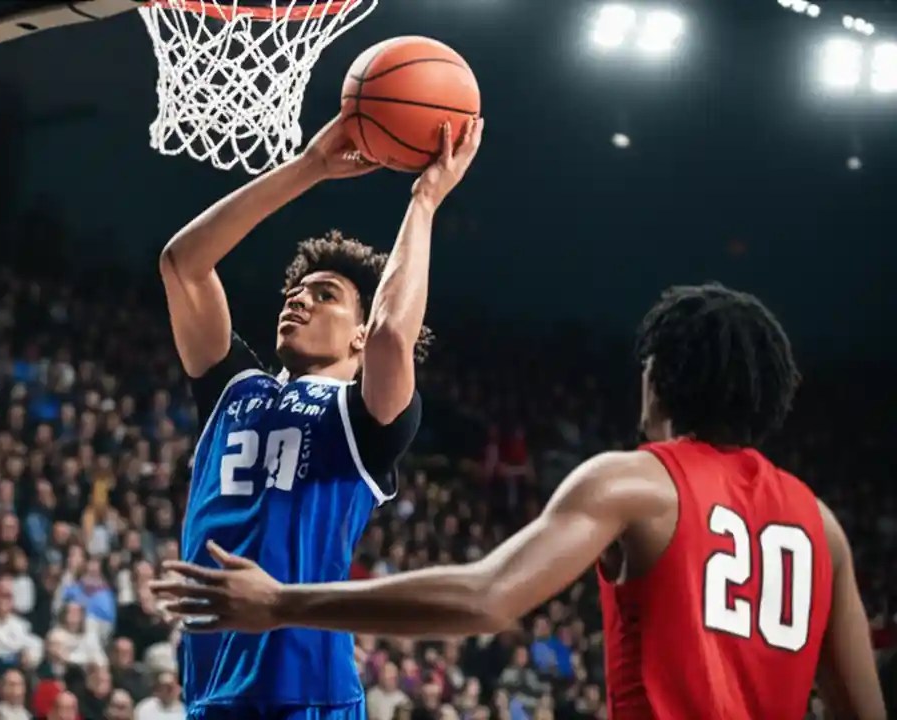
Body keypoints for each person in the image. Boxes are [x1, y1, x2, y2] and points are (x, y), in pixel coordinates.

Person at [153, 283, 888, 720]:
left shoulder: (634, 482)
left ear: (657, 377)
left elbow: (485, 598)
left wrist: (284, 604)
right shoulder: (822, 529)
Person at [157, 112, 482, 716]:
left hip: (304, 695)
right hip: (209, 694)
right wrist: (308, 168)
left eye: (324, 294)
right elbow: (183, 263)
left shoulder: (363, 418)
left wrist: (426, 199)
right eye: (294, 292)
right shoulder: (234, 388)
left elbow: (391, 334)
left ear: (357, 336)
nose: (298, 298)